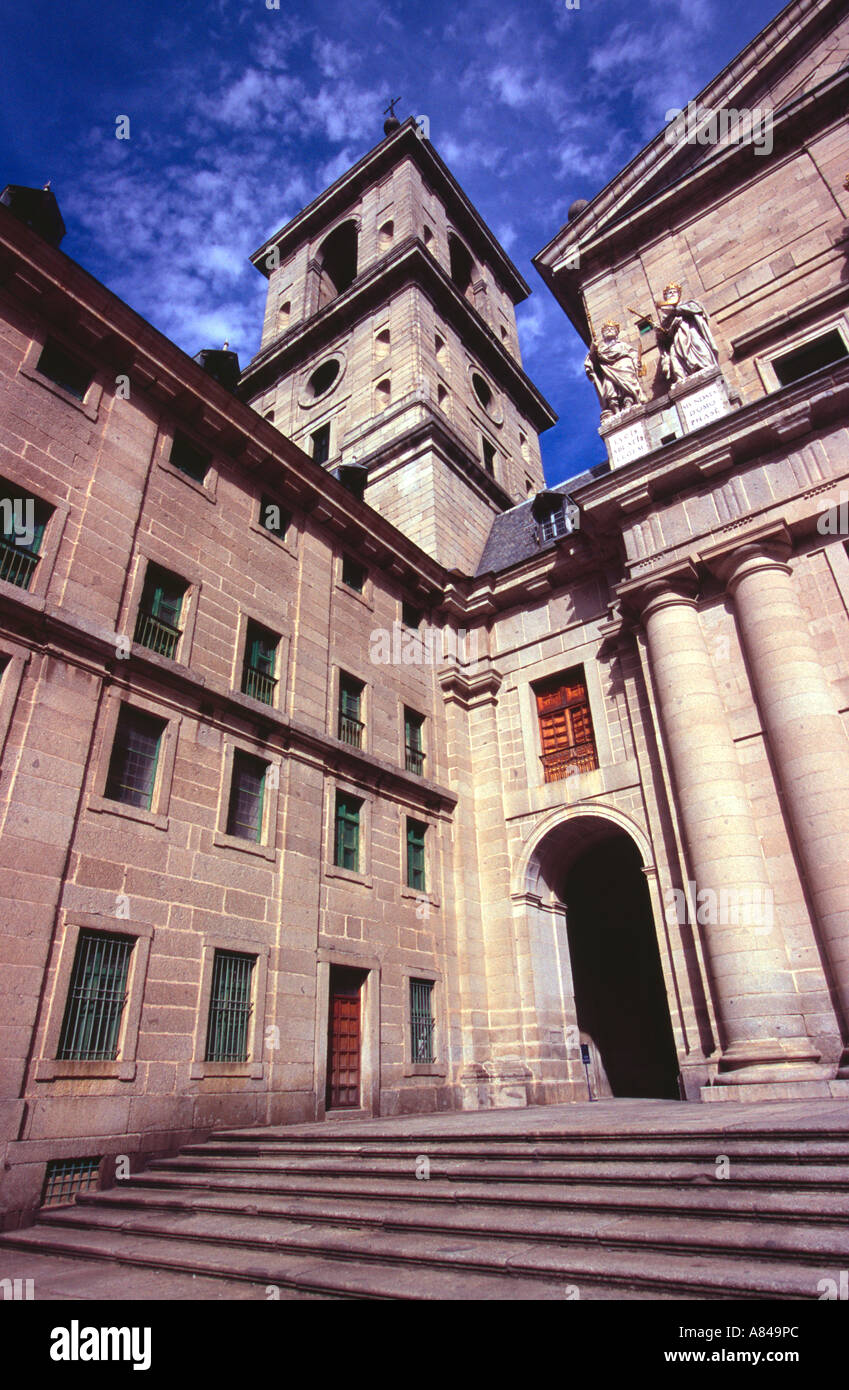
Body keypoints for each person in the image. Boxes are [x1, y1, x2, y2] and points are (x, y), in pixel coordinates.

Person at [656, 283, 719, 384]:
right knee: (674, 357)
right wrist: (660, 331)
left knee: (699, 347)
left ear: (679, 295)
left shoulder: (689, 304)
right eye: (669, 293)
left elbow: (697, 309)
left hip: (692, 331)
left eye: (674, 292)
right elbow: (664, 339)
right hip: (677, 340)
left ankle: (706, 366)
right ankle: (682, 380)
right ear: (666, 297)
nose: (672, 294)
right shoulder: (666, 318)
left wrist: (674, 310)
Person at [584, 320, 644, 419]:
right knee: (609, 389)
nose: (609, 330)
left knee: (626, 386)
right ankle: (616, 411)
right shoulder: (600, 348)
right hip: (607, 369)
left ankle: (628, 404)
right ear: (603, 334)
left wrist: (636, 361)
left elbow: (633, 353)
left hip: (624, 365)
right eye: (607, 330)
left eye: (612, 329)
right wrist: (593, 348)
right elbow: (592, 360)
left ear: (616, 333)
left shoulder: (622, 345)